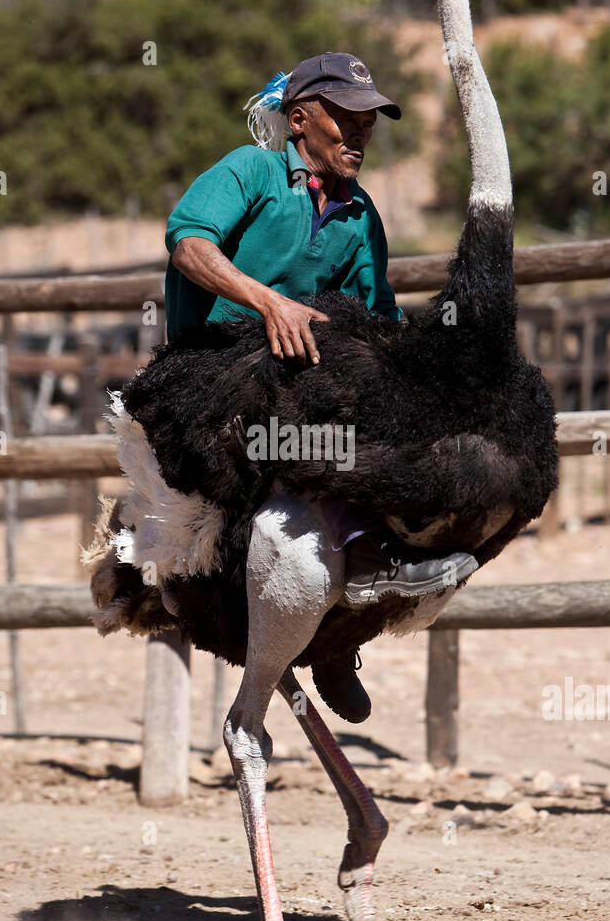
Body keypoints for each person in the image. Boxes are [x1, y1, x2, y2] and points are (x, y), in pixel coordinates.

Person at [162, 52, 475, 720]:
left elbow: (377, 313)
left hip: (295, 375)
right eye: (347, 118)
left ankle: (339, 627)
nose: (360, 134)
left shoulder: (361, 214)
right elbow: (189, 246)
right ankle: (356, 574)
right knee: (303, 429)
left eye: (370, 122)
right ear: (300, 119)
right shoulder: (251, 171)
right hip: (208, 368)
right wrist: (268, 302)